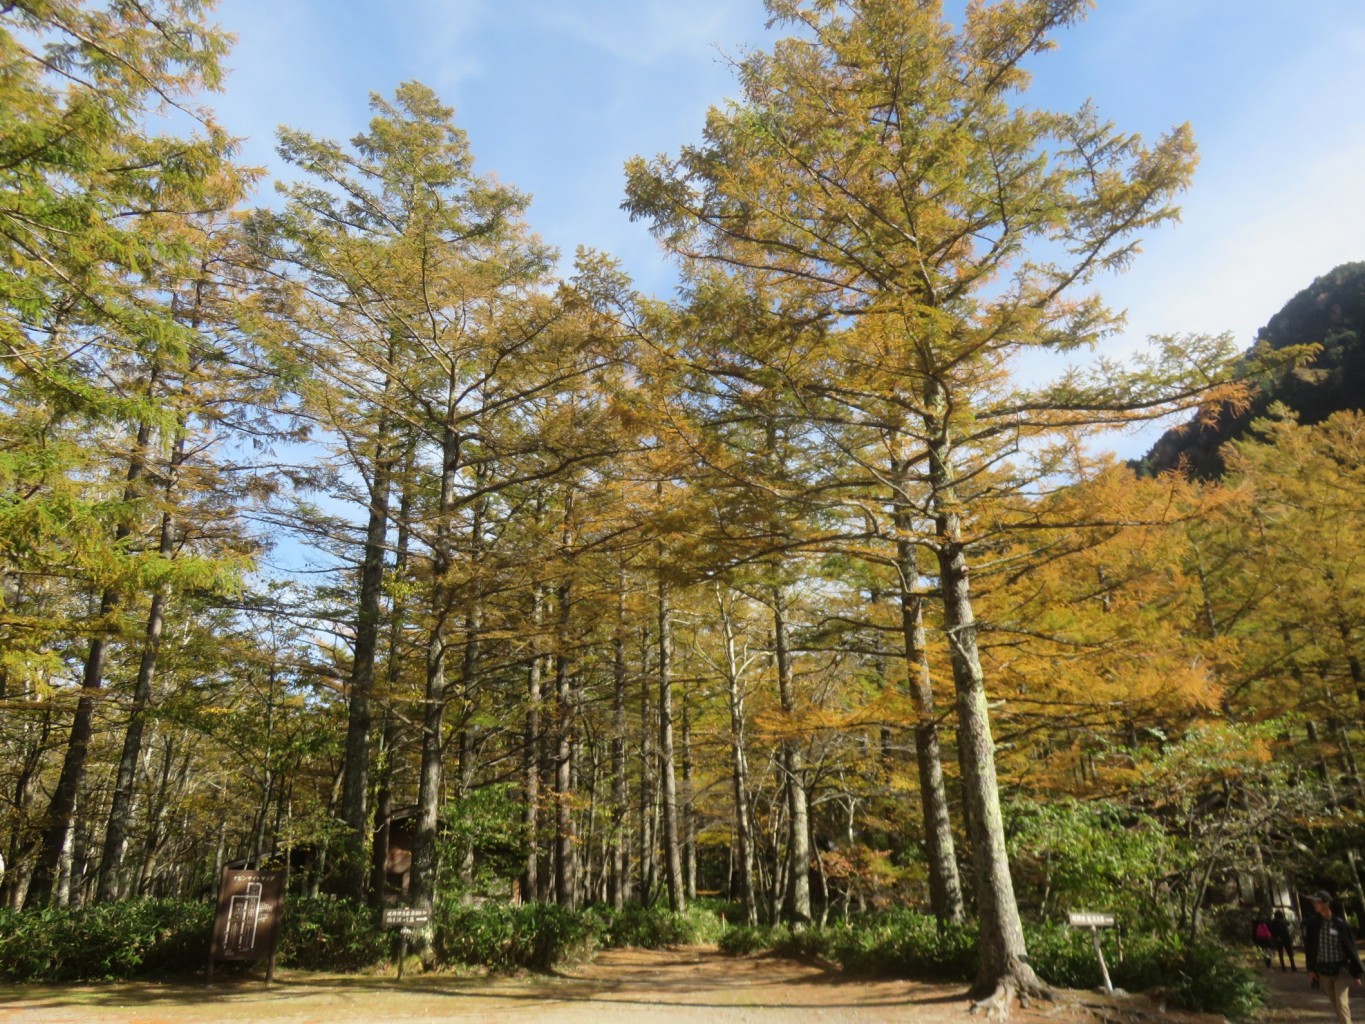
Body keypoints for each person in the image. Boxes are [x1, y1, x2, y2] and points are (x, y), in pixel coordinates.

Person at [1305, 890, 1364, 1024]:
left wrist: (1357, 974)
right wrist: (1311, 970)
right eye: (1314, 902)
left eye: (1318, 902)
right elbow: (1309, 949)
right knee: (1336, 1005)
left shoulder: (1339, 924)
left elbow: (1351, 948)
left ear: (1326, 904)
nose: (1315, 904)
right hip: (1324, 972)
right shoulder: (1313, 925)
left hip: (1341, 971)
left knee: (1342, 1003)